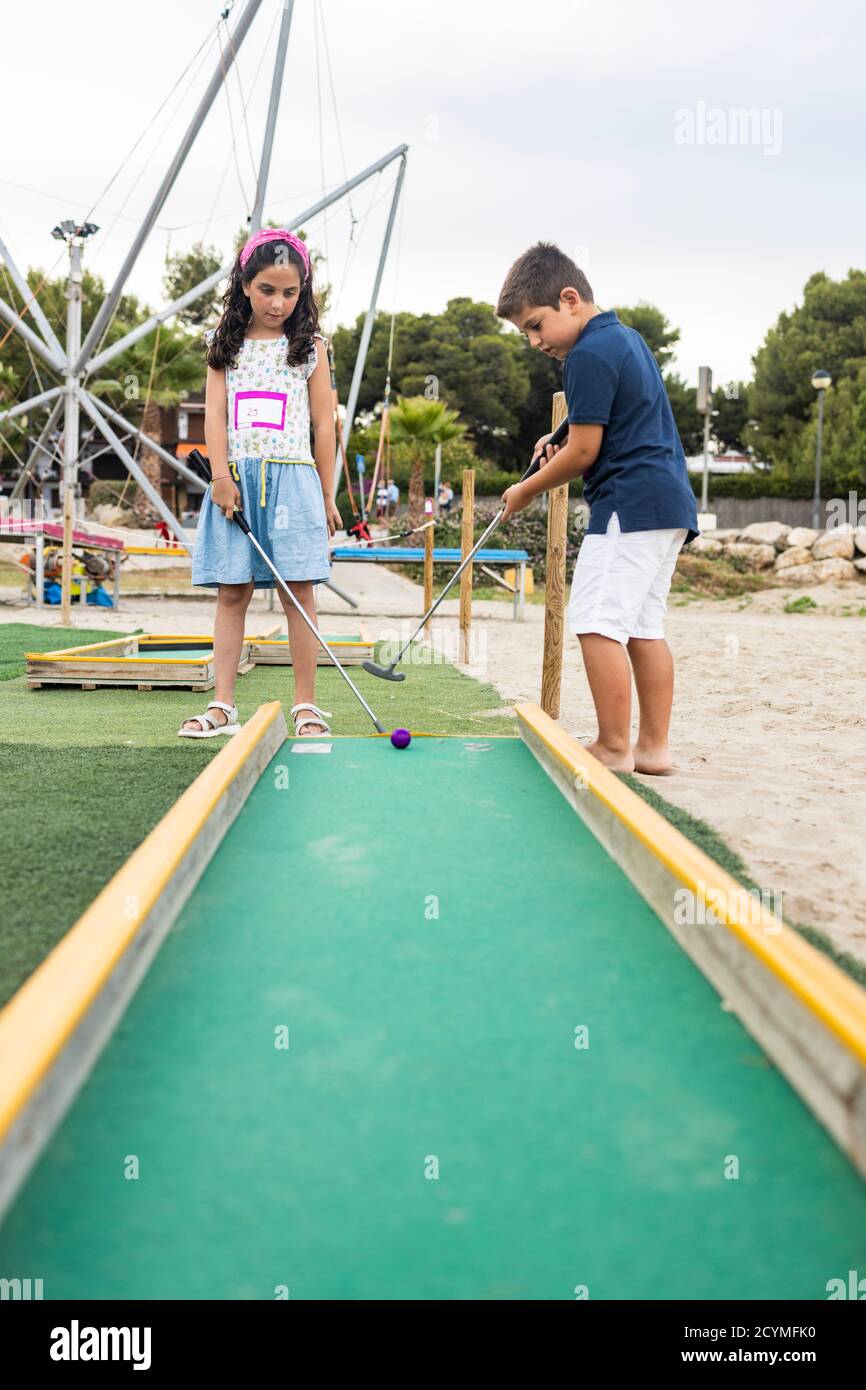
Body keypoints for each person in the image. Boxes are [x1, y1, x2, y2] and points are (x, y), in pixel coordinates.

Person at [496, 242, 699, 775]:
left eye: (536, 326)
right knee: (642, 627)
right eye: (526, 334)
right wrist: (557, 433)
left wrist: (528, 488)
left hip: (626, 507)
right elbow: (614, 412)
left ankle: (613, 747)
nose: (535, 341)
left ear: (569, 299)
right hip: (668, 505)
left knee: (596, 621)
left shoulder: (584, 354)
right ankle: (653, 749)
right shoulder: (624, 339)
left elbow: (586, 453)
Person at [180, 227, 342, 740]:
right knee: (232, 593)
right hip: (237, 482)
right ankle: (223, 704)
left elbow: (323, 423)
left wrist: (327, 492)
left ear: (303, 291)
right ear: (245, 285)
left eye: (290, 292)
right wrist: (221, 478)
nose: (278, 302)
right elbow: (214, 417)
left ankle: (306, 706)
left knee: (299, 594)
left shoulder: (310, 346)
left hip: (295, 481)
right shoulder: (222, 346)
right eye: (267, 290)